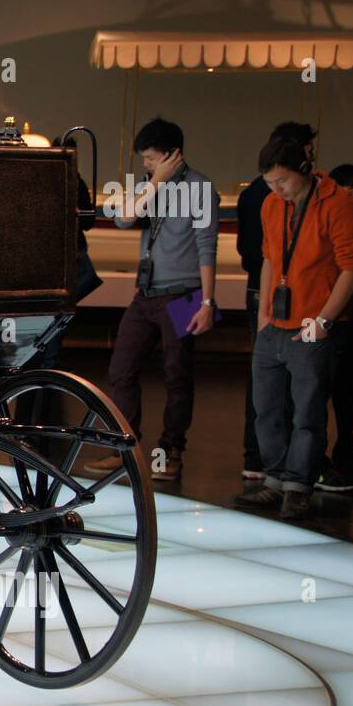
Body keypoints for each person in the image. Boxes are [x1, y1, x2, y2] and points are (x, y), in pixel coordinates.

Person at [86, 117, 218, 481]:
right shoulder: (148, 185)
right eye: (143, 158)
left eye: (151, 157)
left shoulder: (200, 187)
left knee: (178, 375)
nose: (145, 164)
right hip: (146, 294)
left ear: (173, 154)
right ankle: (124, 449)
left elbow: (208, 247)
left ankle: (171, 451)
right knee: (120, 368)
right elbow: (125, 220)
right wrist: (155, 182)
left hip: (187, 293)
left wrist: (208, 303)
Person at [235, 138, 353, 520]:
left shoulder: (338, 205)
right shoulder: (273, 205)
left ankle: (298, 486)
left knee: (307, 412)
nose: (275, 189)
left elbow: (351, 269)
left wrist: (323, 322)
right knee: (266, 409)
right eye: (269, 182)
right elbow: (270, 260)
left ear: (304, 171)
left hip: (313, 324)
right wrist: (263, 317)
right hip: (274, 323)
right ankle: (274, 480)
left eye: (282, 181)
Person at [237, 122, 317, 480]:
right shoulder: (268, 199)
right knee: (269, 395)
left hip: (287, 305)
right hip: (264, 298)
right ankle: (266, 465)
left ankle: (285, 473)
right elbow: (262, 255)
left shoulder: (323, 199)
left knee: (297, 399)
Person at [322, 163, 353, 482]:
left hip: (339, 314)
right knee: (334, 386)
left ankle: (344, 450)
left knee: (339, 386)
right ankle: (341, 452)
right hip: (336, 314)